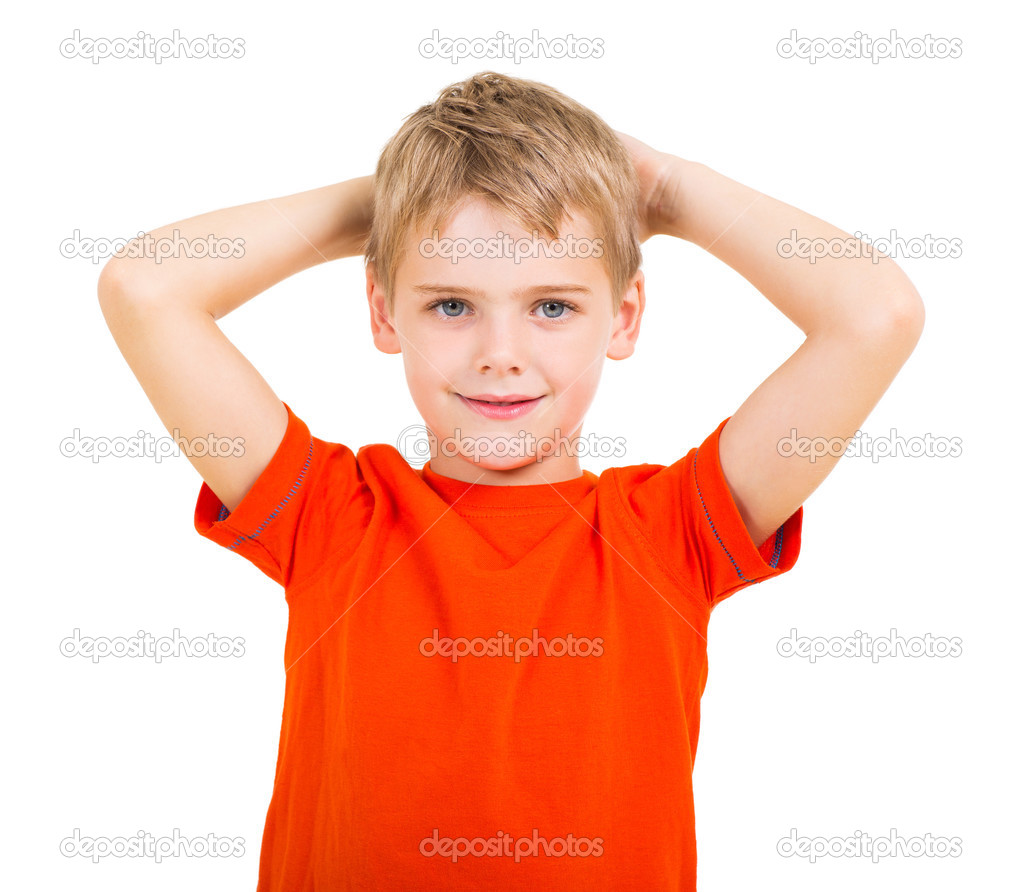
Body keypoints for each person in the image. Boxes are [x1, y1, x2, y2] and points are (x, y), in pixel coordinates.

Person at [97, 70, 924, 890]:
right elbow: (146, 288)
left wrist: (670, 188)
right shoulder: (331, 518)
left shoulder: (671, 534)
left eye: (551, 307)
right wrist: (391, 202)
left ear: (623, 317)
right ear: (384, 313)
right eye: (451, 304)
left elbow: (873, 316)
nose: (500, 352)